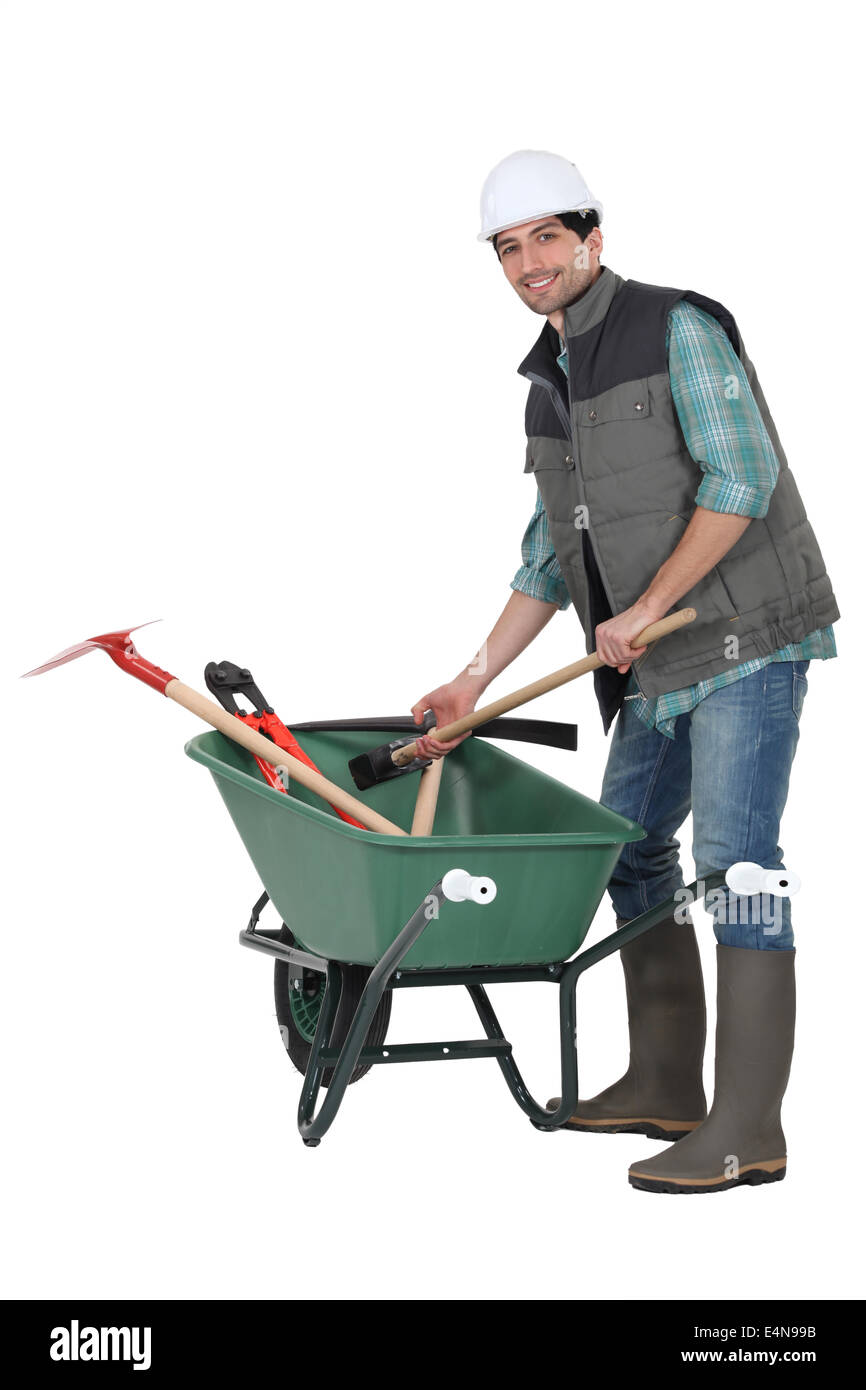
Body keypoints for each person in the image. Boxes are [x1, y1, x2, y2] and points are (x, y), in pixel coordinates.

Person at [410, 149, 839, 1194]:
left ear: (590, 239)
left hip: (740, 636)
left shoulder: (675, 327)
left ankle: (747, 1127)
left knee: (737, 861)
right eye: (507, 249)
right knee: (630, 850)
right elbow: (551, 555)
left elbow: (742, 475)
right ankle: (662, 1079)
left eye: (544, 239)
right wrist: (471, 679)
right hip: (650, 662)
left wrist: (643, 608)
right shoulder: (544, 384)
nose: (526, 263)